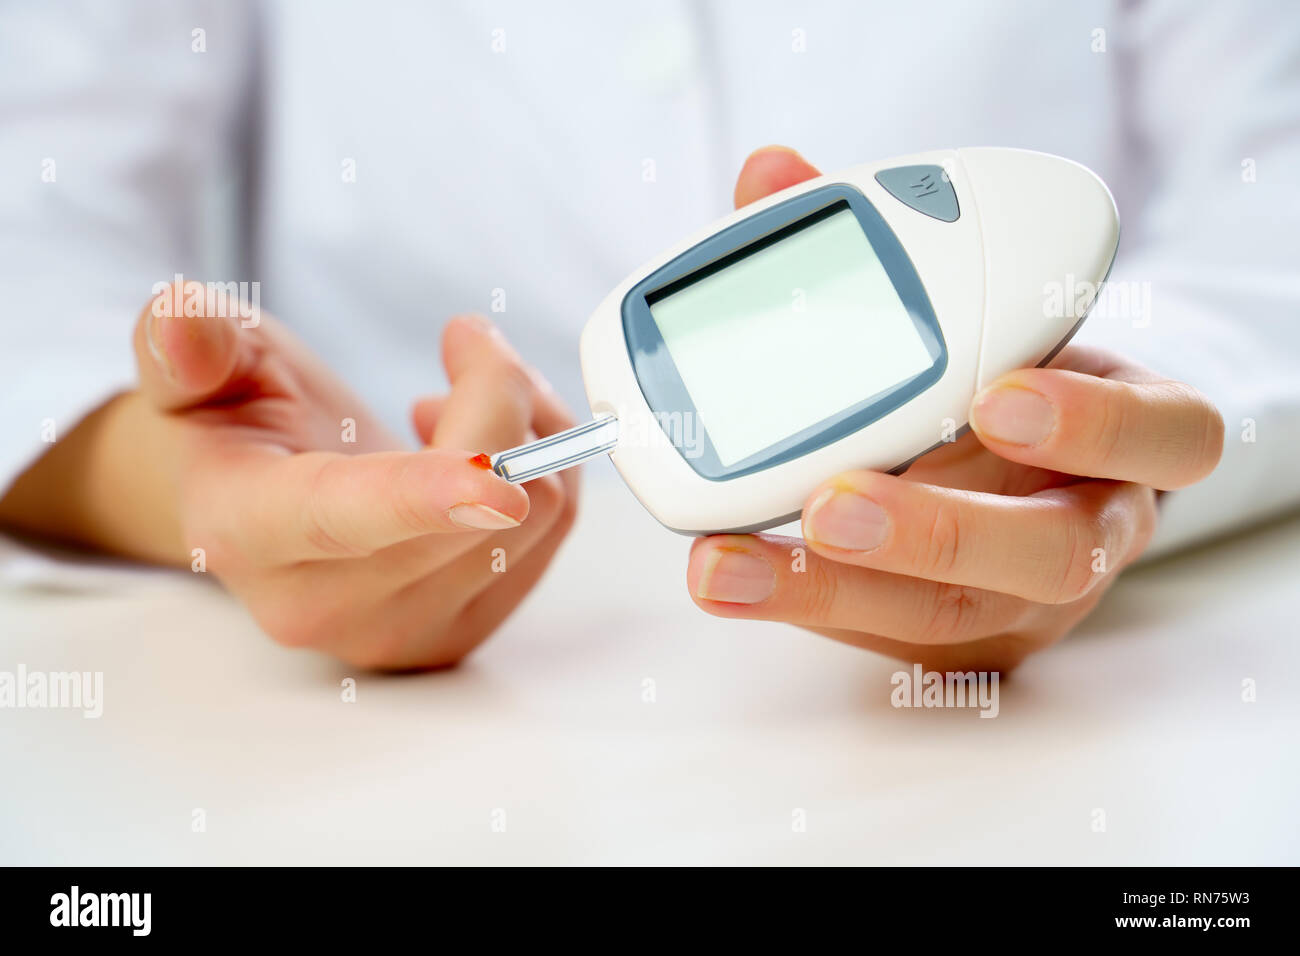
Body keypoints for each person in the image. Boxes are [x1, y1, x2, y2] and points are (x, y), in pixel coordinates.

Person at [1, 1, 1296, 672]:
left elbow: (1274, 199)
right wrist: (186, 477)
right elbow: (34, 209)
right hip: (384, 706)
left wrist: (1087, 442)